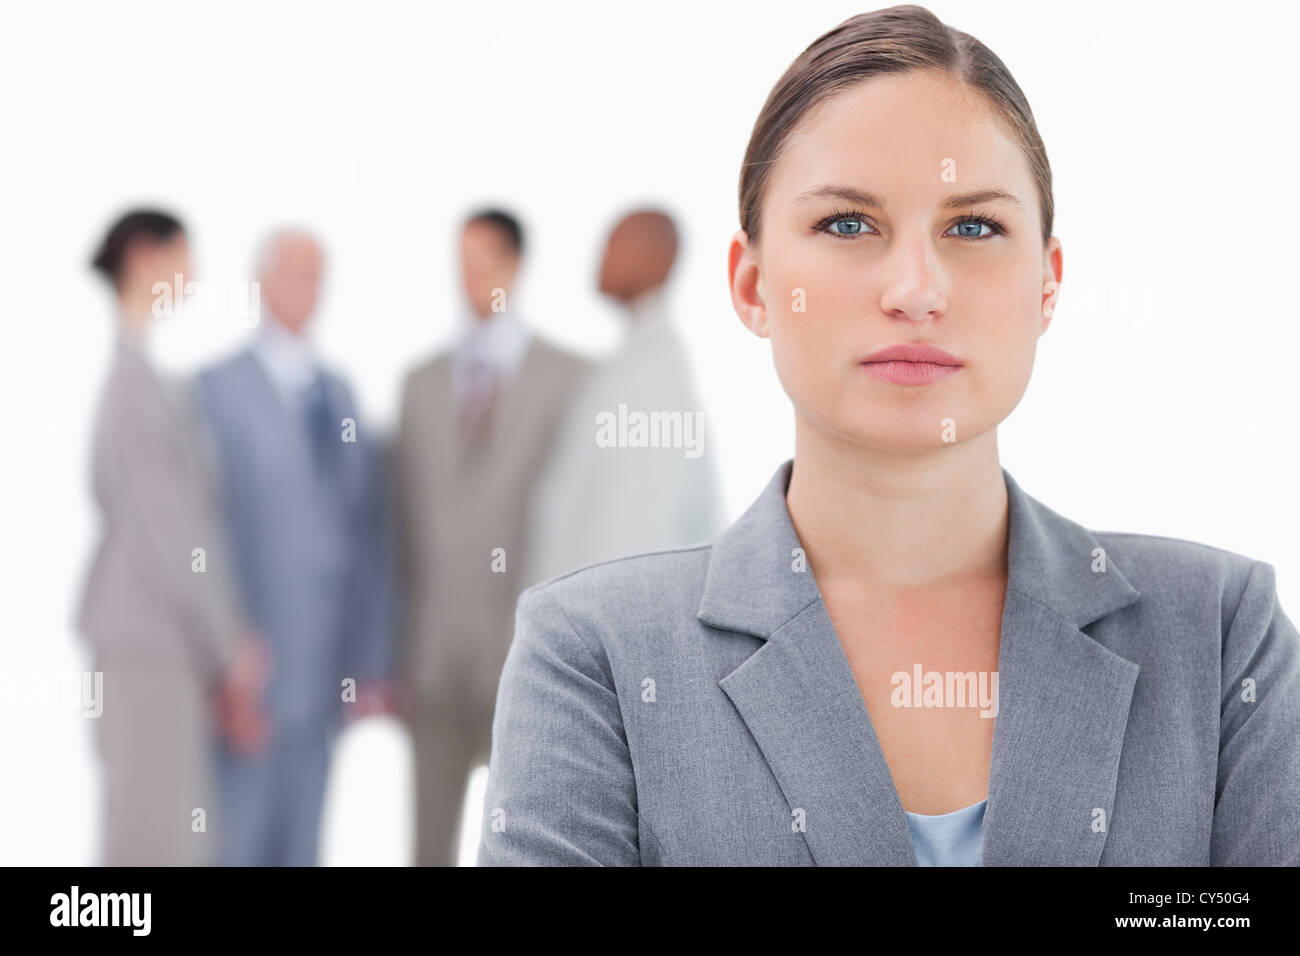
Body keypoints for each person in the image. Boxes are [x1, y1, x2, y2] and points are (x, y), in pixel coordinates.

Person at [478, 5, 1300, 866]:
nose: (916, 289)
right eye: (847, 224)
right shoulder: (592, 653)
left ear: (1048, 285)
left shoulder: (1218, 635)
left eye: (973, 227)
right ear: (753, 285)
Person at [394, 208, 592, 866]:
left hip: (527, 655)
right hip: (432, 659)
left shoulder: (572, 379)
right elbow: (402, 530)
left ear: (514, 267)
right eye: (461, 263)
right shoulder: (419, 383)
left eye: (482, 263)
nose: (469, 279)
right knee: (427, 843)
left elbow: (582, 521)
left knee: (530, 844)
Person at [193, 229, 397, 866]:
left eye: (317, 275)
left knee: (302, 849)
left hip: (324, 675)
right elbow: (203, 535)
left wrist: (370, 659)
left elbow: (367, 533)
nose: (306, 289)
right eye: (293, 273)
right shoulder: (214, 389)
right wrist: (222, 653)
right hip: (250, 671)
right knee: (240, 843)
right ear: (260, 282)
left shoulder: (337, 391)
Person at [77, 209, 268, 866]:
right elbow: (174, 537)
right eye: (181, 257)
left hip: (156, 645)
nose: (192, 274)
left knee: (159, 834)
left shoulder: (146, 377)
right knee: (150, 846)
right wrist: (229, 645)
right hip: (147, 645)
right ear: (142, 256)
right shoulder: (135, 388)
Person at [522, 208, 727, 588]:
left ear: (656, 258)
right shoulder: (630, 366)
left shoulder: (653, 382)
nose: (601, 256)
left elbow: (635, 538)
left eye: (615, 244)